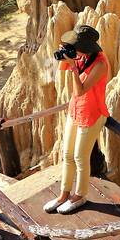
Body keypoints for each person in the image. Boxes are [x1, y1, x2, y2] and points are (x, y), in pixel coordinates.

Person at [44, 25, 110, 215]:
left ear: (86, 47)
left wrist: (74, 67)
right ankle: (63, 195)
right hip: (76, 110)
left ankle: (80, 196)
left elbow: (80, 90)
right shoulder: (81, 56)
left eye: (75, 45)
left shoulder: (100, 64)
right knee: (67, 154)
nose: (73, 47)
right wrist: (65, 54)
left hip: (92, 114)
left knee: (80, 157)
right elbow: (62, 68)